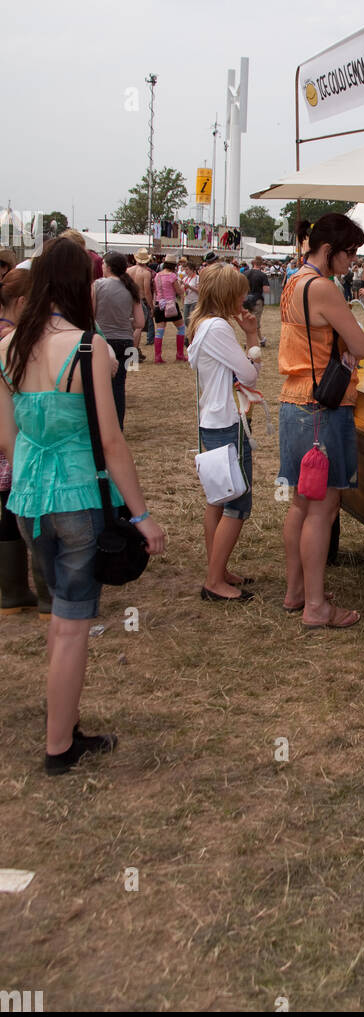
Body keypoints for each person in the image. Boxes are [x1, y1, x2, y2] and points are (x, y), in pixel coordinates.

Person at [0, 237, 165, 774]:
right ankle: (59, 746)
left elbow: (8, 438)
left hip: (27, 499)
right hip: (78, 498)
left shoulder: (8, 349)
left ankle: (65, 724)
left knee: (60, 615)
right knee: (72, 622)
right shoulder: (88, 349)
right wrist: (141, 515)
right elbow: (113, 444)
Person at [278, 213, 364, 629]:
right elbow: (363, 344)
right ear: (330, 251)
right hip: (321, 410)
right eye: (350, 253)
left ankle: (297, 590)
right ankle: (315, 607)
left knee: (302, 503)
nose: (353, 261)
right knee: (322, 507)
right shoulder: (324, 288)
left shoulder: (294, 281)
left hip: (294, 403)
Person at [187, 264, 262, 601]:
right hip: (227, 423)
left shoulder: (201, 324)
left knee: (218, 498)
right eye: (240, 292)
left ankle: (217, 570)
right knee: (237, 503)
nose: (245, 297)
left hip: (211, 420)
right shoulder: (218, 328)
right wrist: (251, 336)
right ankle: (214, 581)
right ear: (228, 295)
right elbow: (248, 375)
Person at [0, 268, 51, 615]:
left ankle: (12, 590)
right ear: (21, 303)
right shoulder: (15, 342)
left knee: (7, 514)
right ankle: (49, 593)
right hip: (18, 442)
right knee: (33, 514)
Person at [92, 253, 144, 430]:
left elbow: (90, 317)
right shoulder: (131, 289)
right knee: (119, 386)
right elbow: (140, 323)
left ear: (107, 266)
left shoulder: (97, 285)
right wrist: (124, 321)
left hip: (102, 340)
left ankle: (103, 426)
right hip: (125, 341)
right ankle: (117, 427)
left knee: (100, 386)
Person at [152, 257, 185, 363]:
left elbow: (156, 290)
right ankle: (179, 354)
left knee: (160, 330)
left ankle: (158, 356)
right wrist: (183, 287)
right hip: (170, 305)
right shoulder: (172, 276)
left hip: (159, 304)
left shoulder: (157, 276)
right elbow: (179, 291)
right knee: (181, 328)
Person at [130, 250, 155, 357]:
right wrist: (152, 306)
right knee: (138, 327)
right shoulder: (146, 273)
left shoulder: (128, 270)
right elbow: (147, 292)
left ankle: (133, 350)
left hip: (127, 299)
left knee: (129, 327)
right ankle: (134, 351)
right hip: (139, 301)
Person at [246, 256, 271, 346]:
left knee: (249, 320)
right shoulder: (262, 275)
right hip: (257, 300)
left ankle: (258, 339)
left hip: (246, 300)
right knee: (255, 322)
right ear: (261, 264)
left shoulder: (245, 273)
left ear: (253, 263)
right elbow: (266, 290)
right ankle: (257, 340)